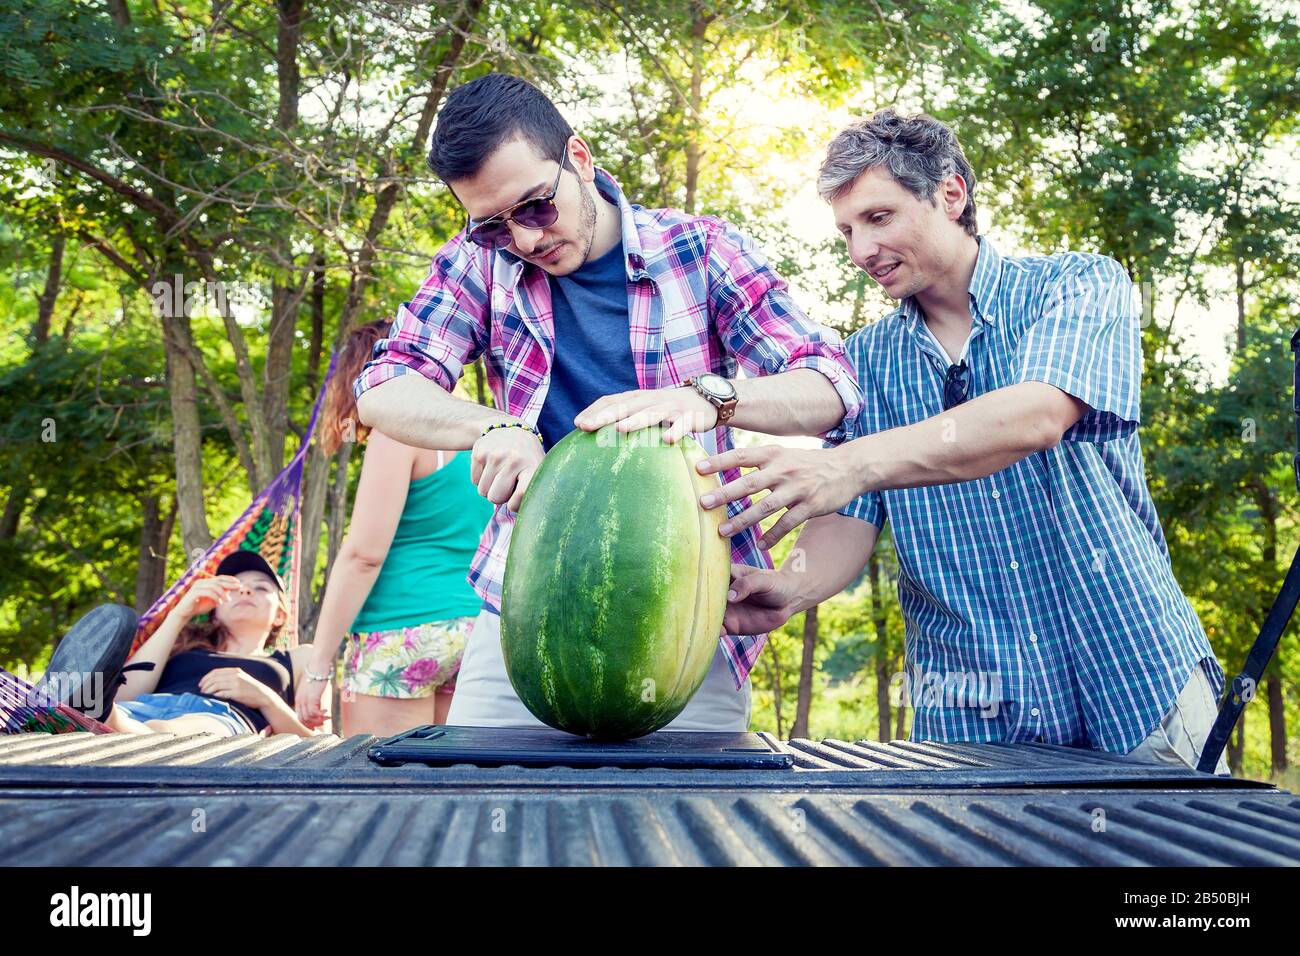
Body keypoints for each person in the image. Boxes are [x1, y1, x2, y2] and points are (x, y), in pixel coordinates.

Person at [699, 108, 1229, 772]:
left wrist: (848, 463)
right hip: (969, 717)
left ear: (951, 195)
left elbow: (1036, 415)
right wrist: (790, 587)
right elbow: (850, 519)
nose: (861, 251)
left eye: (879, 218)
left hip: (1138, 684)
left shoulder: (1077, 287)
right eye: (847, 231)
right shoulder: (863, 362)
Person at [352, 73, 862, 732]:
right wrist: (494, 426)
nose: (526, 240)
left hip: (685, 620)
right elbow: (384, 384)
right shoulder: (477, 266)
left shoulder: (701, 250)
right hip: (521, 605)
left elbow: (830, 383)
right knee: (488, 817)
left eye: (536, 206)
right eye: (493, 226)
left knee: (678, 829)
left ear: (581, 159)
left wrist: (712, 399)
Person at [296, 320, 495, 737]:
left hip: (398, 632)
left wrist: (317, 668)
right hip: (475, 632)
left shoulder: (397, 433)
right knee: (451, 791)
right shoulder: (485, 434)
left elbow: (364, 556)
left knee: (381, 790)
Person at [34, 551, 318, 738]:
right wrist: (180, 613)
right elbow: (125, 693)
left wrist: (264, 698)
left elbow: (321, 745)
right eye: (234, 587)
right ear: (216, 609)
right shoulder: (184, 646)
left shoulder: (300, 658)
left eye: (261, 587)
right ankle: (94, 713)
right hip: (138, 707)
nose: (245, 590)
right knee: (120, 710)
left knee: (175, 730)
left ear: (281, 612)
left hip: (221, 719)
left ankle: (96, 720)